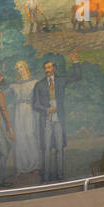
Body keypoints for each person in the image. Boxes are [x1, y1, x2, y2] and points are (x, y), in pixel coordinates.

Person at [31, 53, 82, 182]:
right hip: (46, 120)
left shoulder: (60, 80)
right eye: (45, 68)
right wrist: (47, 109)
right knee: (47, 149)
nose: (47, 70)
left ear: (54, 68)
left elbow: (77, 77)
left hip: (59, 119)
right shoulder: (39, 84)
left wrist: (76, 62)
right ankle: (46, 177)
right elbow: (35, 104)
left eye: (49, 67)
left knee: (59, 148)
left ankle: (60, 176)